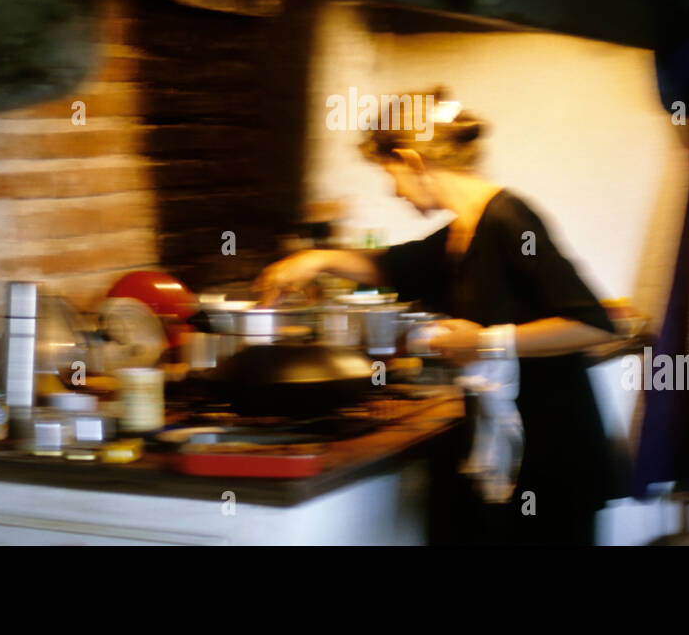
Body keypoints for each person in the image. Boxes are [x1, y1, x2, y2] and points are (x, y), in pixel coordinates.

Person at [255, 95, 621, 544]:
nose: (394, 191)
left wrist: (487, 342)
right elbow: (391, 267)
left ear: (412, 160)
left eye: (390, 176)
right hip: (510, 446)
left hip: (554, 453)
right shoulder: (461, 232)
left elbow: (592, 323)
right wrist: (316, 259)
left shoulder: (509, 220)